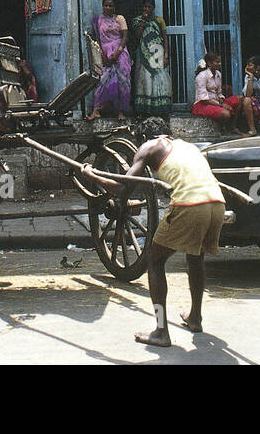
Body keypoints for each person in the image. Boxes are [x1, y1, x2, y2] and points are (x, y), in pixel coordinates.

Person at [82, 117, 227, 347]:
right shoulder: (187, 146)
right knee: (195, 258)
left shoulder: (148, 146)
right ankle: (195, 318)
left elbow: (123, 189)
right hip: (217, 203)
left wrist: (94, 177)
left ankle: (161, 330)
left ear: (142, 137)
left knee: (155, 261)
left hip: (189, 205)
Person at [86, 0, 131, 121]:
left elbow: (125, 36)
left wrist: (118, 52)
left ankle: (121, 112)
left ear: (114, 7)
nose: (108, 8)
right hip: (106, 54)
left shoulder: (119, 18)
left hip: (120, 54)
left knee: (123, 82)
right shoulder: (98, 20)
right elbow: (99, 39)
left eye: (110, 5)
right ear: (102, 6)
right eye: (106, 5)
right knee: (103, 80)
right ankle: (96, 110)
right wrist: (102, 54)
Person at [191, 52, 255, 134]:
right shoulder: (202, 76)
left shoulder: (218, 74)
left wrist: (221, 99)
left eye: (219, 61)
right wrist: (222, 105)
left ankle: (233, 127)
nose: (219, 64)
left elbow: (219, 92)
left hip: (216, 102)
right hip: (202, 105)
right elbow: (204, 99)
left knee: (240, 98)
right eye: (217, 62)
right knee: (226, 114)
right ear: (210, 63)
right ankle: (223, 128)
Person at [130, 0, 172, 120]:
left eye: (149, 7)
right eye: (145, 7)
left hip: (157, 53)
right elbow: (137, 36)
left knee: (159, 80)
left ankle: (160, 109)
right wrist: (143, 22)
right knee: (144, 79)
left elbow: (164, 38)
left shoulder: (159, 20)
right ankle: (144, 109)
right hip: (143, 54)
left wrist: (166, 55)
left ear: (153, 8)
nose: (146, 9)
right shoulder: (137, 21)